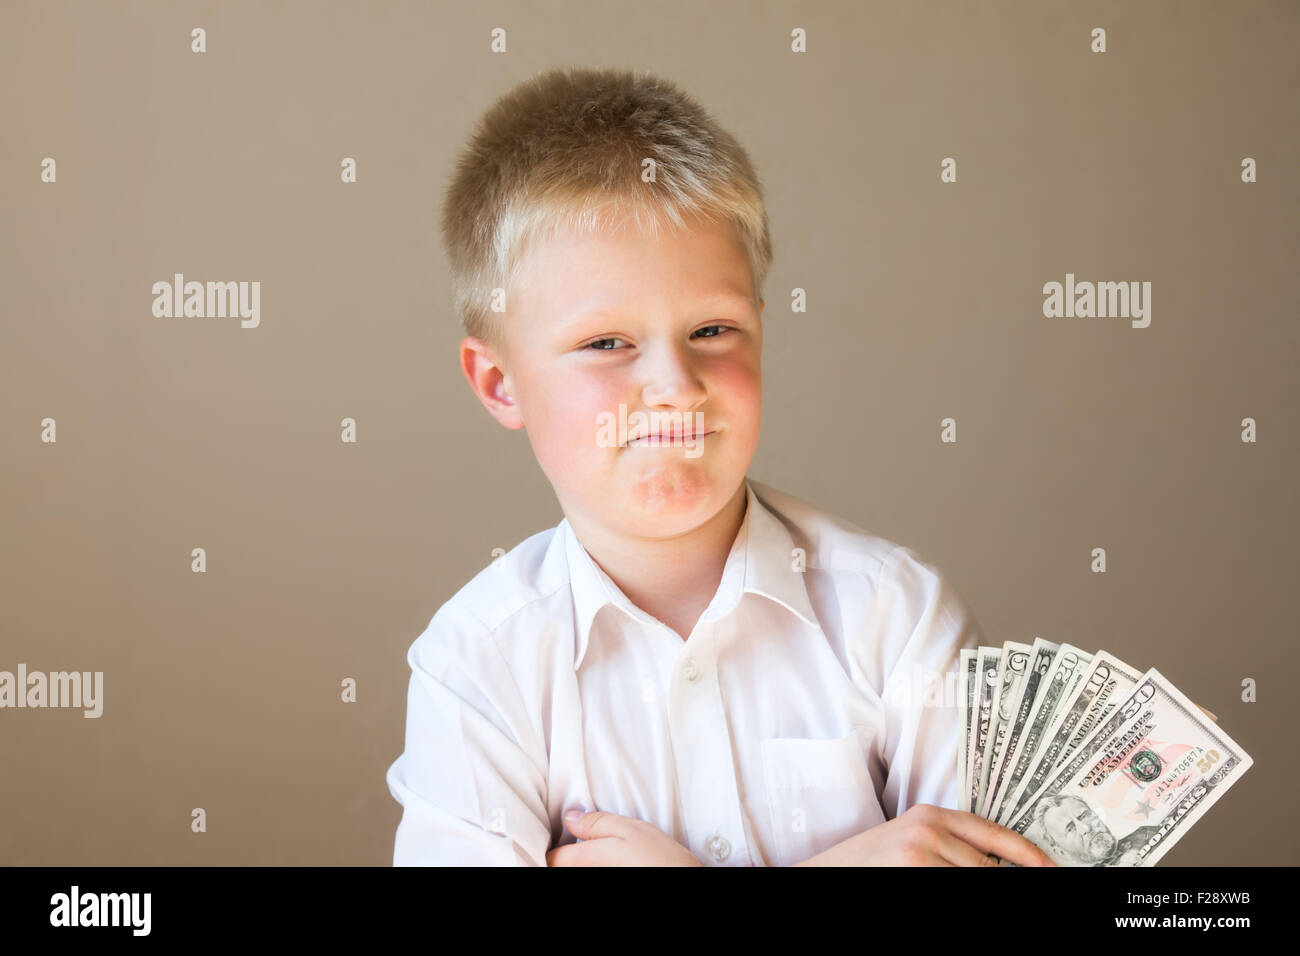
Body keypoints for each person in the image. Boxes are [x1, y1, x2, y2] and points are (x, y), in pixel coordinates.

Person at [384, 66, 1055, 868]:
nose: (674, 387)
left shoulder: (897, 619)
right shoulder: (477, 668)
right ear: (500, 382)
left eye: (712, 330)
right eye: (607, 343)